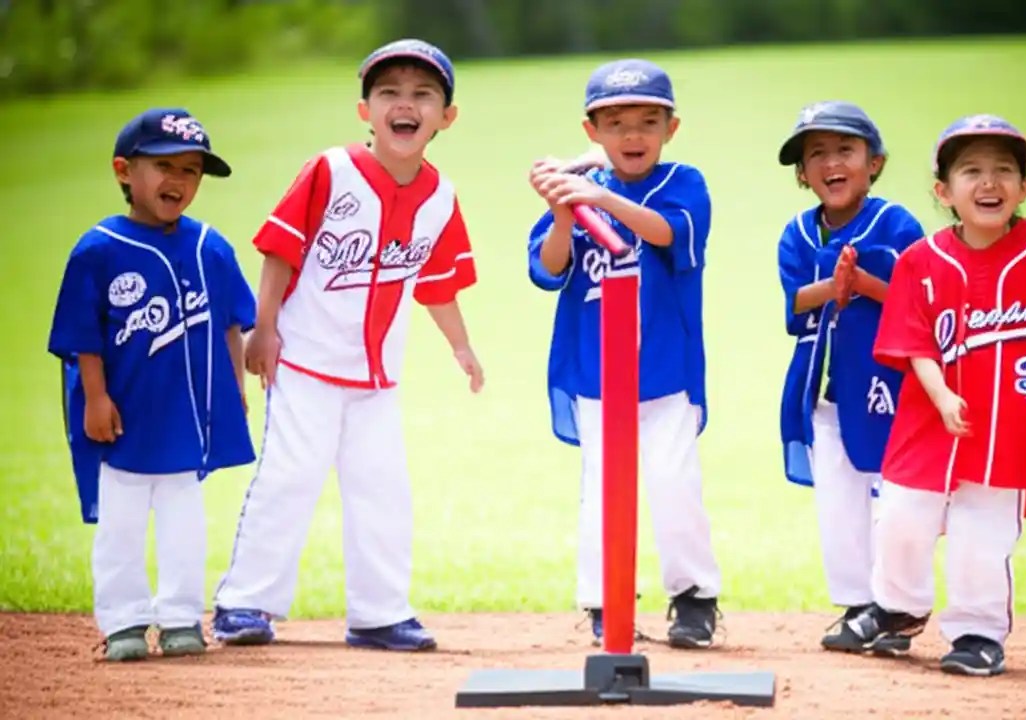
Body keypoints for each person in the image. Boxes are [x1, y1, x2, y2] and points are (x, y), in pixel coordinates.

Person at [211, 39, 483, 652]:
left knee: (383, 490)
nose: (404, 104)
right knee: (288, 478)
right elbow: (282, 249)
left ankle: (379, 612)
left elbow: (437, 283)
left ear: (447, 116)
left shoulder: (440, 196)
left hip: (378, 377)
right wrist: (265, 327)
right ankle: (245, 602)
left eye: (422, 94)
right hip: (306, 360)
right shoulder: (331, 170)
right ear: (365, 110)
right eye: (389, 92)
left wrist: (461, 347)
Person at [844, 114, 1026, 676]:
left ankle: (976, 633)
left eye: (1004, 170)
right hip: (927, 422)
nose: (989, 183)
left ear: (1024, 187)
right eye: (972, 171)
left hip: (1008, 428)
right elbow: (914, 339)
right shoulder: (923, 259)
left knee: (981, 534)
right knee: (899, 516)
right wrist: (942, 394)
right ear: (944, 191)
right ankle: (898, 609)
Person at [525, 58, 723, 649]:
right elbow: (547, 267)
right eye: (615, 123)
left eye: (647, 121)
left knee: (673, 482)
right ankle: (605, 603)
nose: (632, 136)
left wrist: (596, 196)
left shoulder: (683, 182)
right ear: (592, 132)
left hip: (666, 371)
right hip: (594, 374)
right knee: (601, 491)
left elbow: (667, 232)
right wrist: (566, 214)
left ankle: (694, 598)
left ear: (671, 128)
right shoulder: (580, 191)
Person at [48, 108, 256, 661]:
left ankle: (181, 617)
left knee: (184, 526)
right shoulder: (97, 250)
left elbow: (232, 324)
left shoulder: (211, 245)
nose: (179, 181)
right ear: (123, 171)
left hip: (185, 420)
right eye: (163, 165)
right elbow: (80, 336)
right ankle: (123, 622)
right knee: (119, 527)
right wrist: (94, 396)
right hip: (123, 419)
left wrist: (234, 390)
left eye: (191, 171)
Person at [772, 101, 925, 654]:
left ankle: (898, 604)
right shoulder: (795, 233)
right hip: (821, 387)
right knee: (837, 499)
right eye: (816, 155)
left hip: (884, 381)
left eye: (845, 151)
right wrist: (835, 287)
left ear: (874, 162)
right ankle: (862, 604)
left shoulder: (897, 224)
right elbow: (794, 304)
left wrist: (861, 282)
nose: (831, 163)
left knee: (890, 497)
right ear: (802, 174)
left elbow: (921, 303)